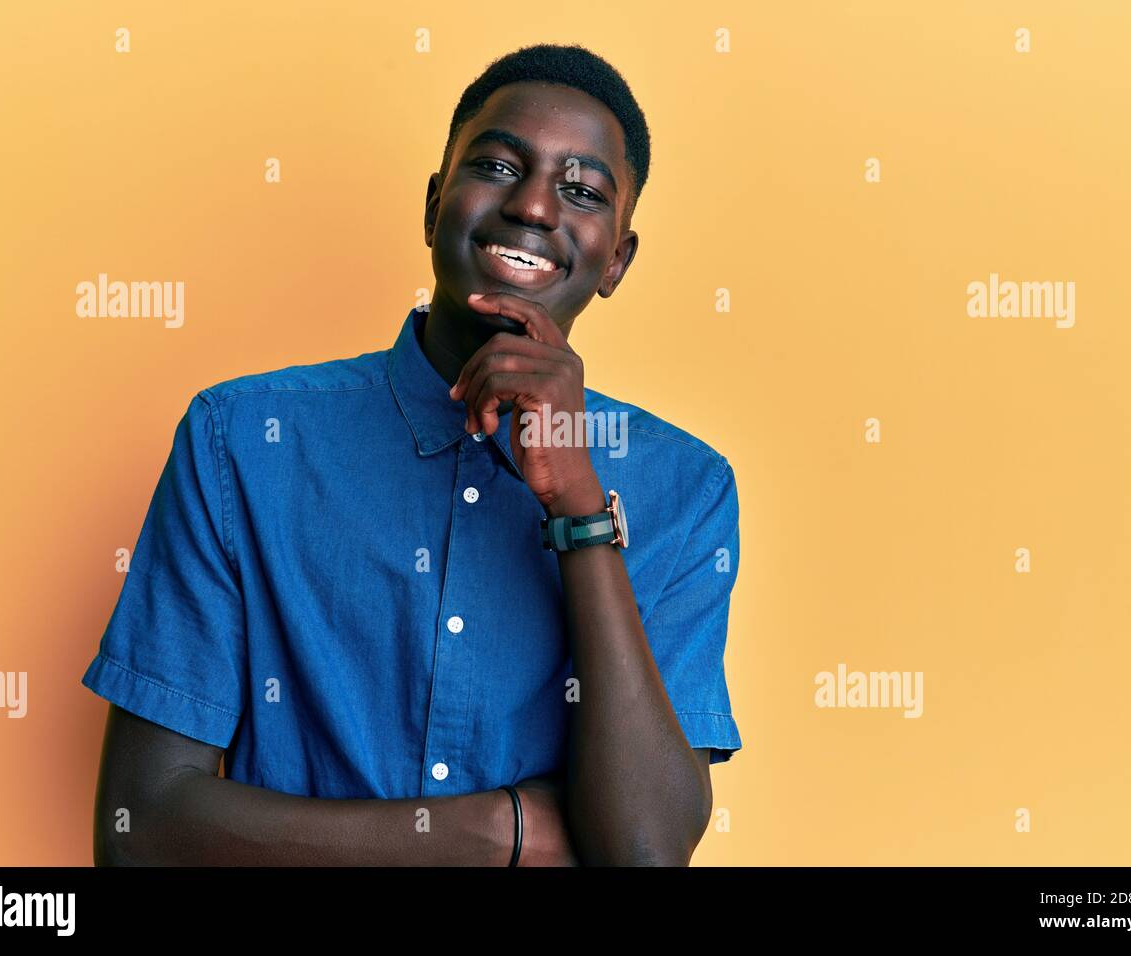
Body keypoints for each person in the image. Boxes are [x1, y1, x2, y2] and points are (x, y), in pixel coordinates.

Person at [82, 42, 741, 867]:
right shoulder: (240, 442)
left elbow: (643, 852)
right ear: (435, 206)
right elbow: (139, 829)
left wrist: (579, 507)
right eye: (499, 166)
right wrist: (489, 832)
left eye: (581, 191)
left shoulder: (688, 489)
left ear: (616, 259)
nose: (534, 207)